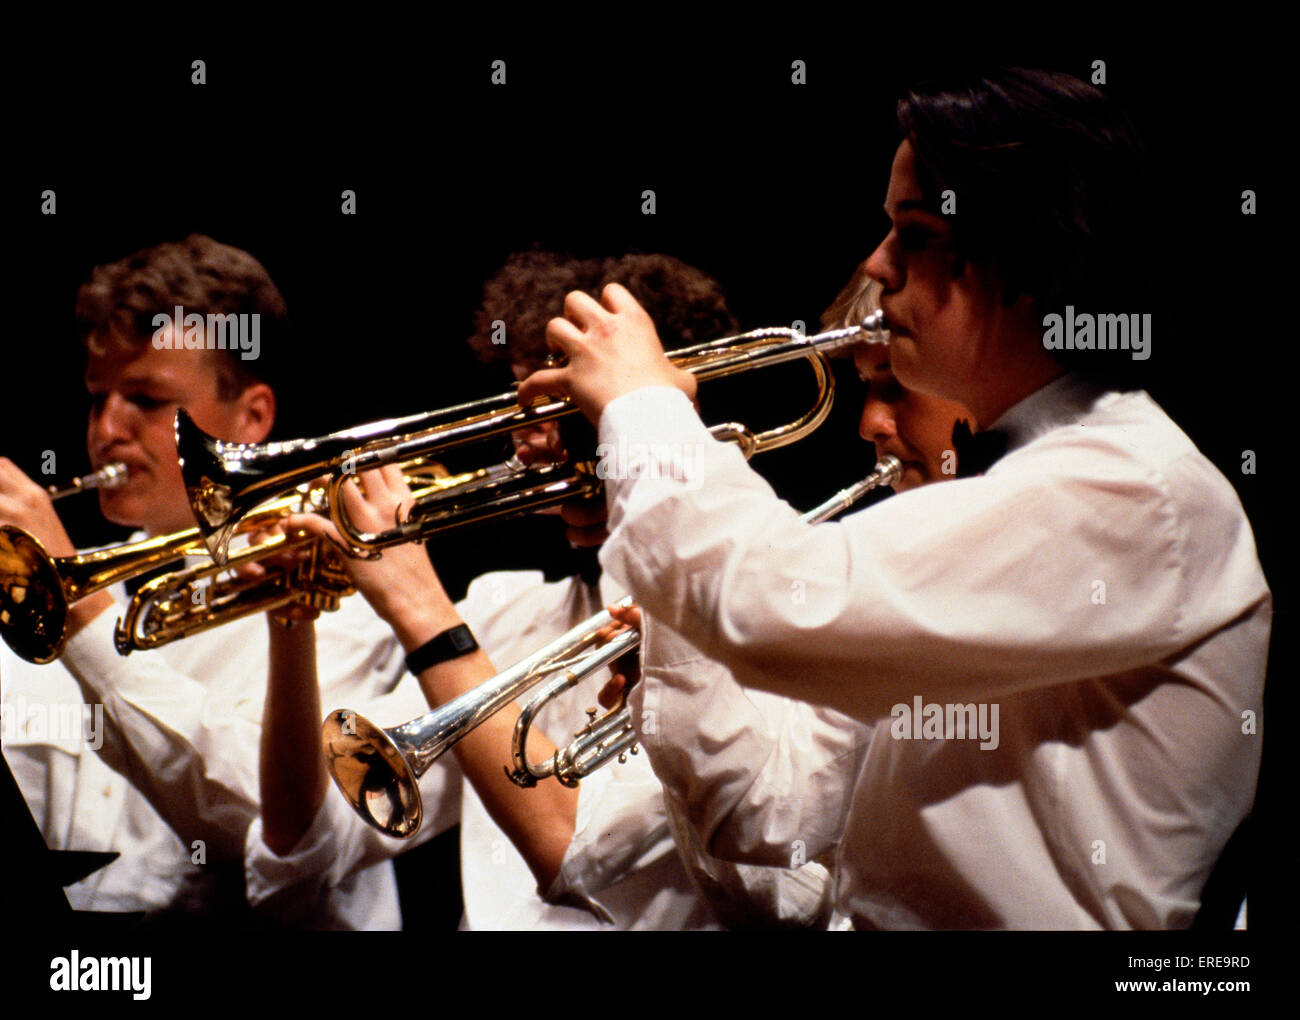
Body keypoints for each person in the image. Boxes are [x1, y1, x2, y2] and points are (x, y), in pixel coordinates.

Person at [516, 68, 1271, 928]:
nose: (878, 265)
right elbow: (773, 808)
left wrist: (643, 408)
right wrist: (672, 613)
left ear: (1025, 253)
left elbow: (766, 602)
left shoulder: (1137, 492)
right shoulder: (1010, 490)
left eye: (914, 233)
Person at [246, 251, 838, 928]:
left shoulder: (758, 595)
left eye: (555, 407)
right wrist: (289, 619)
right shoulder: (504, 610)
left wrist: (419, 607)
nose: (524, 445)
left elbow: (571, 846)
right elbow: (303, 849)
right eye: (517, 407)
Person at [0, 234, 459, 927]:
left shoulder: (335, 601)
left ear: (251, 419)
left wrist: (74, 606)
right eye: (99, 398)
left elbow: (268, 837)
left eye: (146, 399)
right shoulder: (30, 599)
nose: (106, 429)